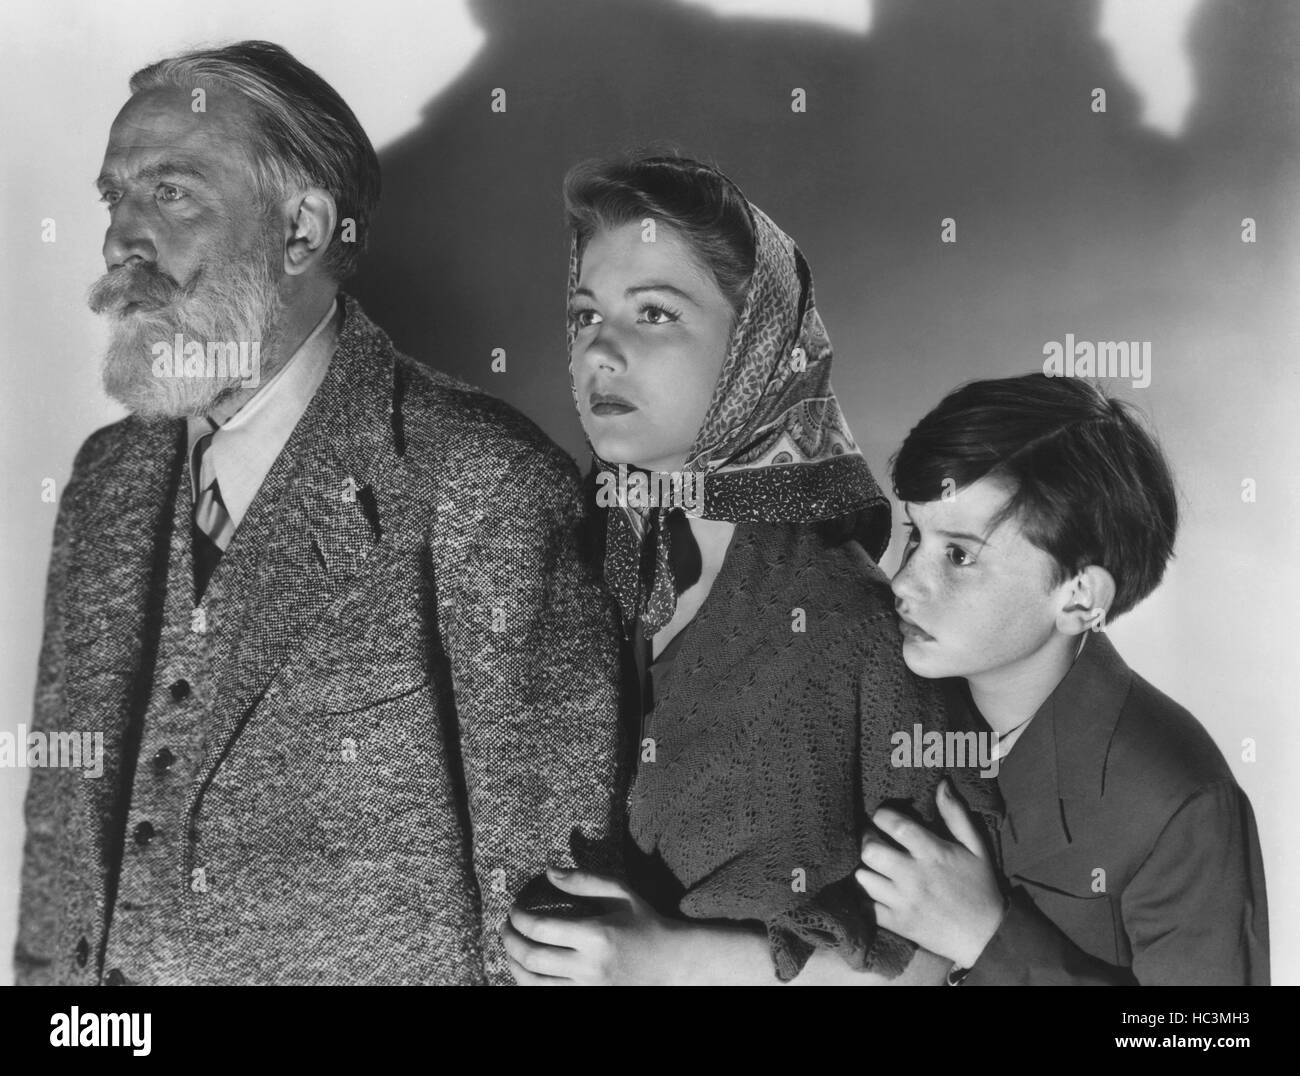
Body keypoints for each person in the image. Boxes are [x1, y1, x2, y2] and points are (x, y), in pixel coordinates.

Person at [15, 40, 622, 986]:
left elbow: (549, 909)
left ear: (302, 231)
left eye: (170, 192)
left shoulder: (486, 480)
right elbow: (62, 839)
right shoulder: (104, 479)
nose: (118, 243)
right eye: (115, 198)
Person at [502, 154, 951, 985]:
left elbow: (935, 962)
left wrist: (671, 964)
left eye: (655, 314)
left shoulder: (854, 623)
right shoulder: (549, 564)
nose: (600, 348)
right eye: (584, 313)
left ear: (756, 348)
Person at [856, 373, 1270, 985]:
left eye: (960, 555)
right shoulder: (885, 692)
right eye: (915, 535)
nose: (904, 583)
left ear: (1079, 598)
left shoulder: (1181, 803)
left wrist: (987, 940)